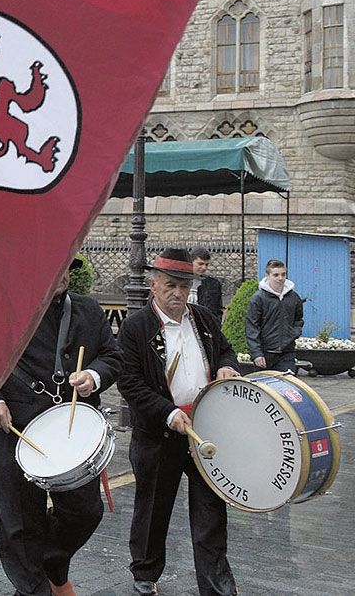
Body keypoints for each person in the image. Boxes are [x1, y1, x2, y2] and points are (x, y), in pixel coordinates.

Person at [0, 258, 121, 596]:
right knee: (19, 524)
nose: (59, 274)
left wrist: (94, 376)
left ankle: (49, 562)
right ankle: (33, 587)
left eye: (63, 266)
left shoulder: (88, 310)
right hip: (15, 428)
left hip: (72, 433)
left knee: (85, 512)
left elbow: (112, 356)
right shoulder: (3, 312)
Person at [116, 248, 241, 596]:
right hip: (159, 433)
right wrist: (167, 412)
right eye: (170, 285)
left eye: (184, 286)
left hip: (204, 429)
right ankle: (145, 573)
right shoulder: (135, 327)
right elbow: (129, 382)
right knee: (153, 508)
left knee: (211, 512)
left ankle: (217, 586)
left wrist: (227, 366)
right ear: (153, 285)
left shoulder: (204, 318)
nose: (178, 293)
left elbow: (226, 350)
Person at [245, 259, 305, 374]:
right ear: (268, 276)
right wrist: (257, 353)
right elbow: (252, 327)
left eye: (283, 274)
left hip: (287, 353)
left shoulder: (293, 297)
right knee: (265, 384)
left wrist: (294, 333)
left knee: (286, 383)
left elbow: (298, 319)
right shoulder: (258, 298)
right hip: (265, 353)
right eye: (276, 275)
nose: (280, 278)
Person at [187, 249, 223, 321]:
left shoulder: (213, 284)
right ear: (190, 262)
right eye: (200, 264)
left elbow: (217, 310)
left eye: (206, 264)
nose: (204, 268)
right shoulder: (180, 282)